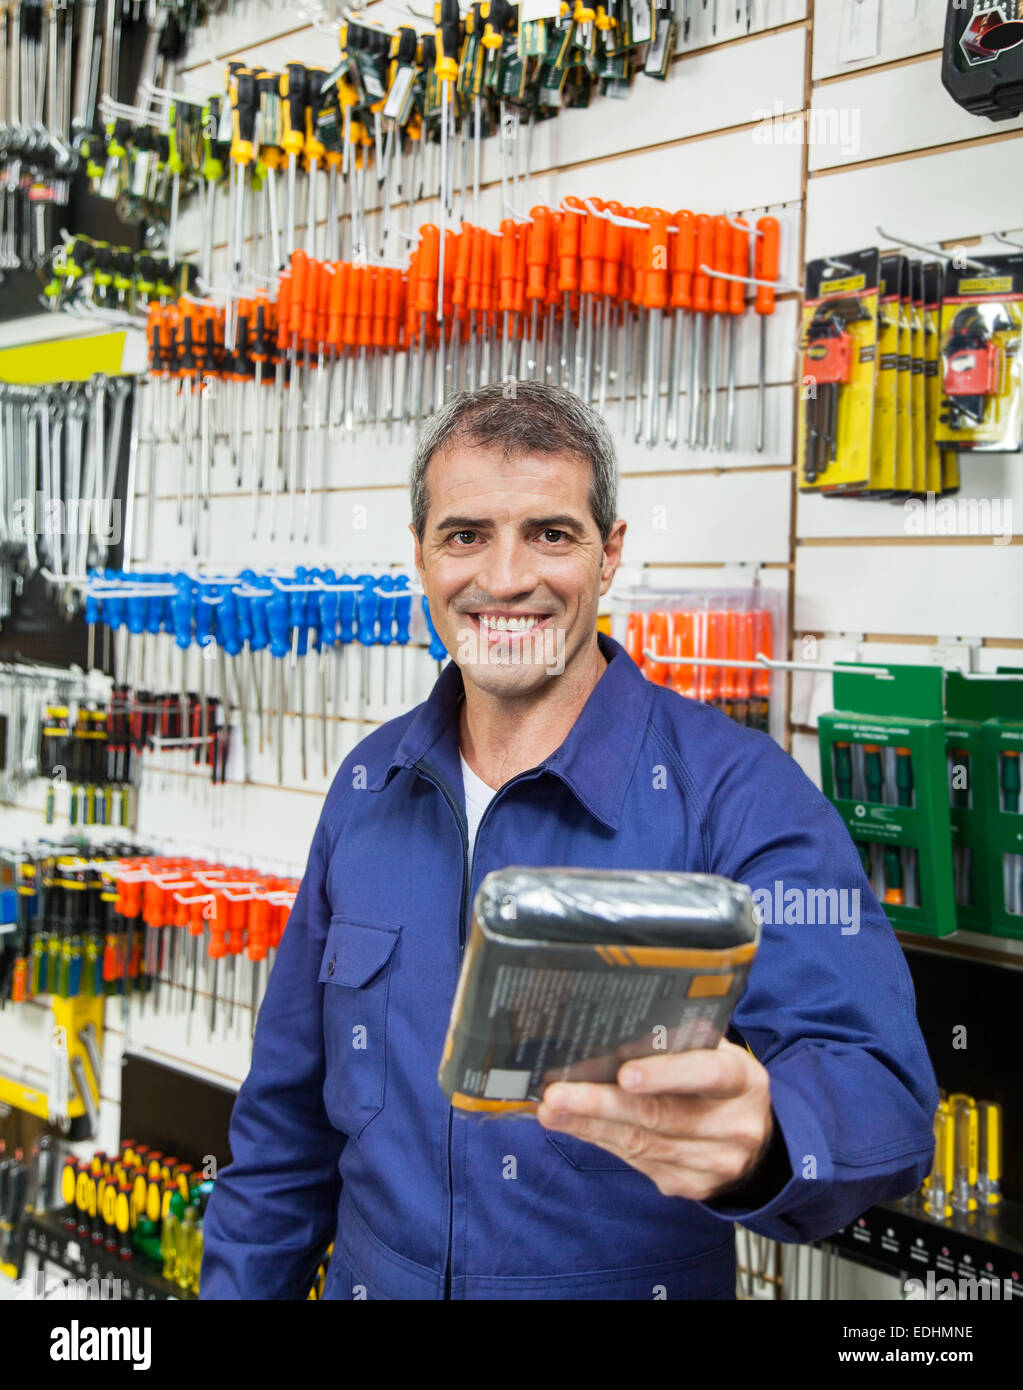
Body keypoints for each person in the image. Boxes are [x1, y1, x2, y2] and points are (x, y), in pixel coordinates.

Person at [200, 381, 937, 1301]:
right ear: (421, 559)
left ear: (609, 552)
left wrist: (768, 1137)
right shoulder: (368, 785)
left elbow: (883, 1096)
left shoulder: (737, 795)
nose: (504, 579)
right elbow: (281, 1139)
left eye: (550, 534)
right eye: (465, 535)